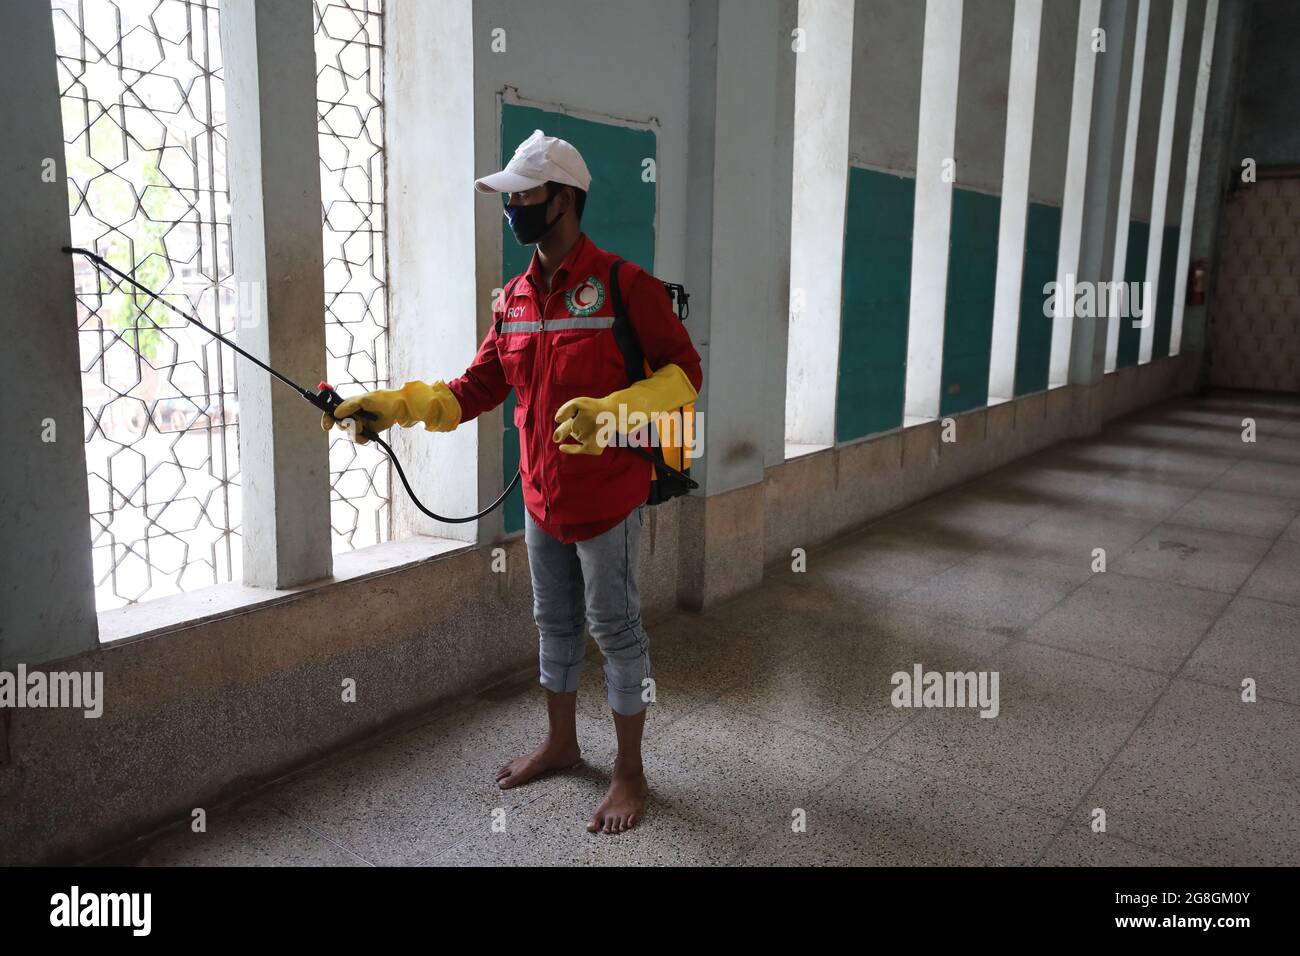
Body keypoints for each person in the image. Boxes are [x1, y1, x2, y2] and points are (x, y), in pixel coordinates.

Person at [323, 130, 703, 834]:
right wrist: (392, 406)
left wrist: (616, 411)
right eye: (510, 198)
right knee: (552, 624)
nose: (513, 209)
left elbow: (684, 374)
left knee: (616, 630)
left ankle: (629, 772)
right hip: (540, 499)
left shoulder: (625, 285)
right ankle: (561, 743)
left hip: (607, 501)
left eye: (523, 196)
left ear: (564, 200)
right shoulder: (516, 300)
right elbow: (476, 387)